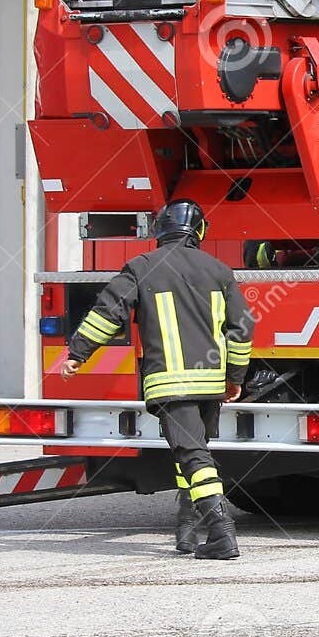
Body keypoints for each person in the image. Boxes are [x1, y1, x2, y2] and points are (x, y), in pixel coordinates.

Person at [60, 200, 253, 559]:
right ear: (199, 231)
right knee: (193, 451)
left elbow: (107, 314)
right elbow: (242, 328)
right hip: (211, 383)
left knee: (192, 456)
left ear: (159, 230)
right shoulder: (219, 270)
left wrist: (77, 353)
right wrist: (235, 377)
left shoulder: (141, 267)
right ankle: (187, 527)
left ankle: (221, 532)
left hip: (170, 385)